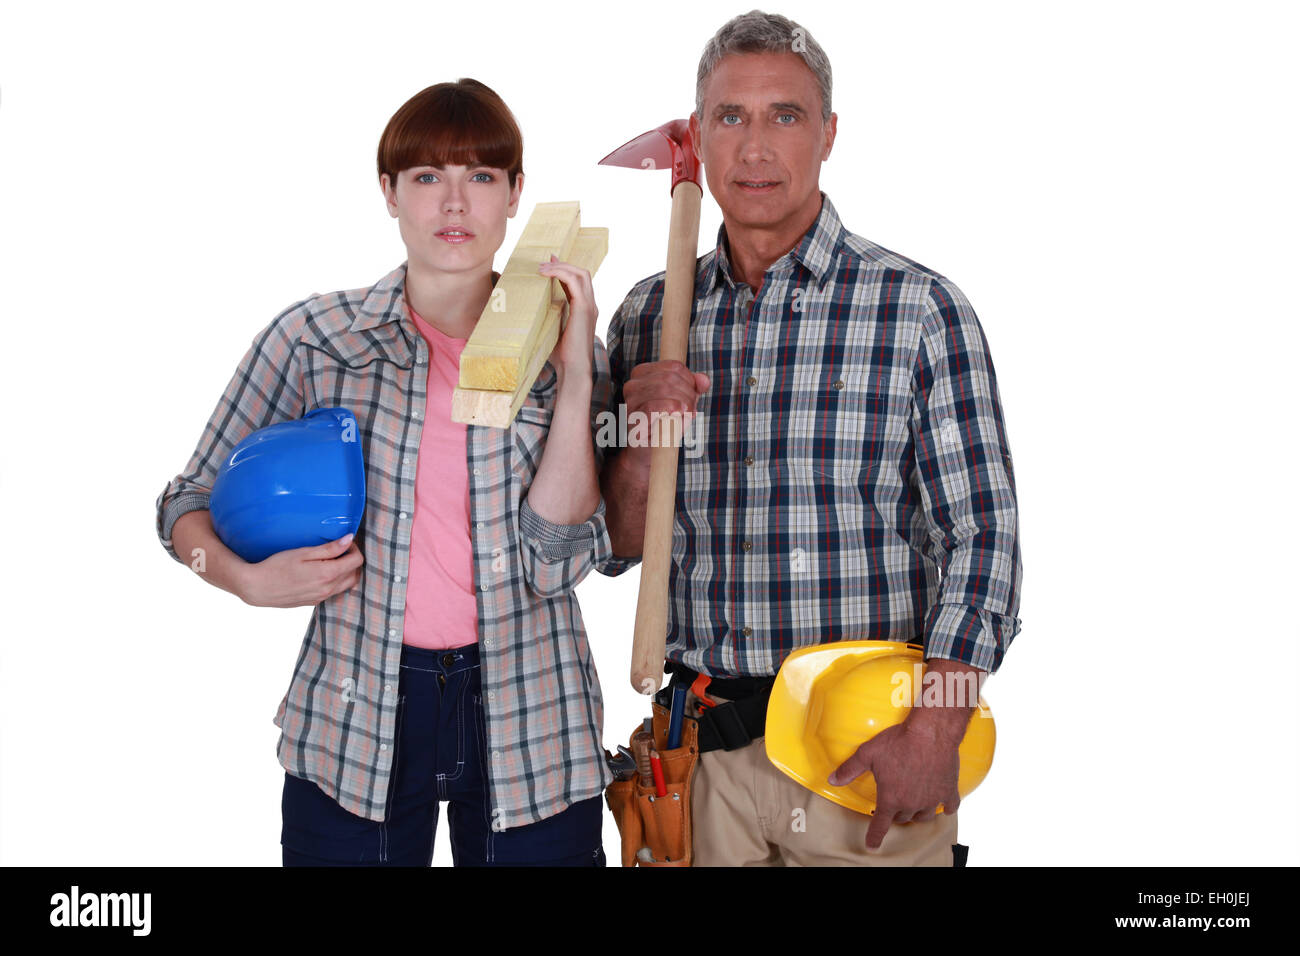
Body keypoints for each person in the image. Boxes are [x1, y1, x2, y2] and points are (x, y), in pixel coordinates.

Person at [597, 11, 1023, 866]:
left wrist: (936, 728)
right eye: (730, 117)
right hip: (699, 761)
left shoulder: (919, 311)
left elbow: (984, 541)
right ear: (700, 136)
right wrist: (643, 438)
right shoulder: (651, 314)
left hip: (865, 757)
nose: (756, 147)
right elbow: (610, 546)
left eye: (785, 116)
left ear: (828, 134)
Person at [155, 79, 615, 866]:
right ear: (389, 193)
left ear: (515, 196)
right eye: (427, 178)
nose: (454, 204)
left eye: (480, 177)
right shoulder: (316, 338)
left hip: (532, 705)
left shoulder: (568, 351)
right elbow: (182, 505)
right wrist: (240, 578)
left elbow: (563, 561)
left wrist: (575, 381)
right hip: (359, 703)